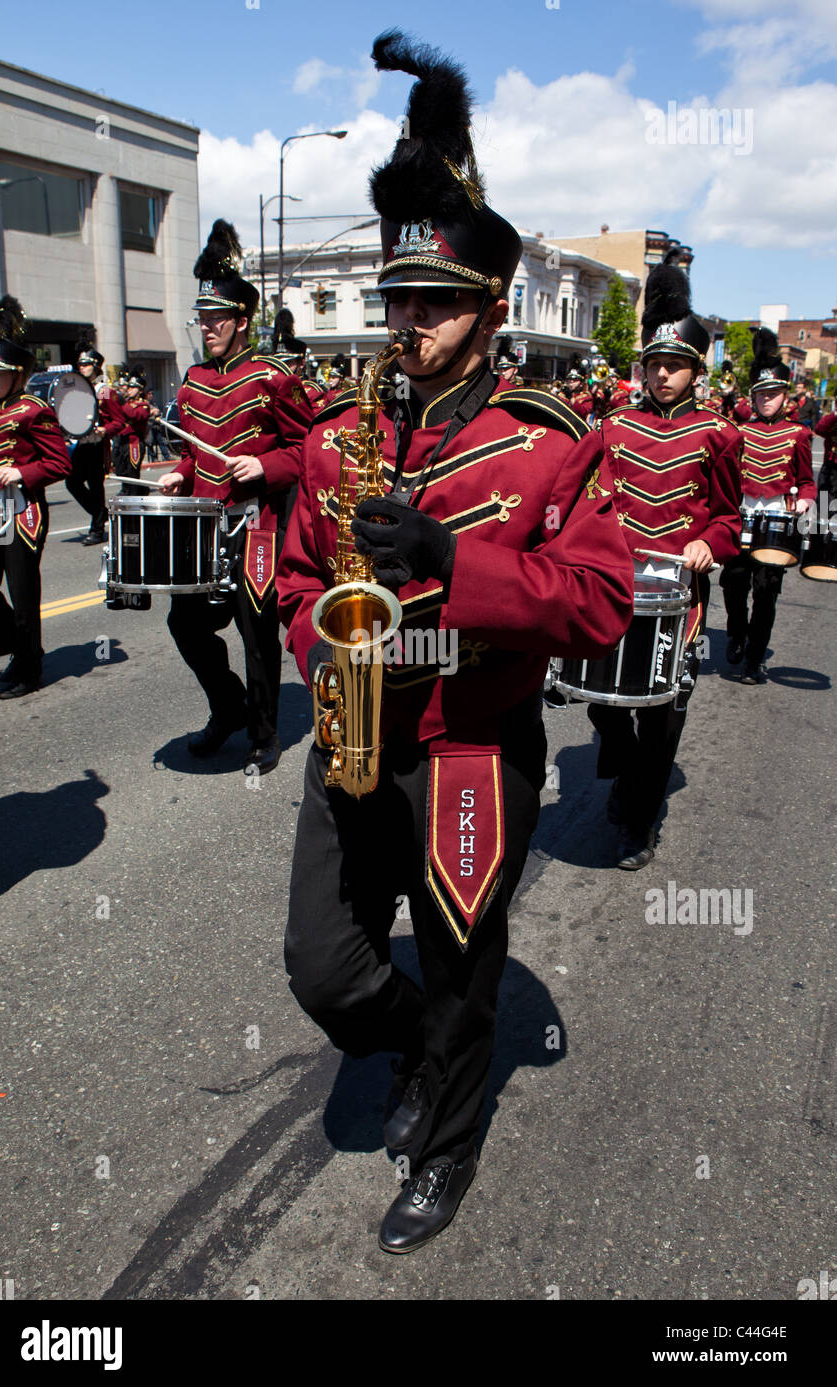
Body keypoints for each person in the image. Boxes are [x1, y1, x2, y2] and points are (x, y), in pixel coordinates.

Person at [276, 31, 634, 1254]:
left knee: (464, 964)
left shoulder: (550, 439)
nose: (407, 323)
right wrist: (311, 642)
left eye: (433, 305)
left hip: (474, 741)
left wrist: (451, 562)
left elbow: (596, 602)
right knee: (322, 965)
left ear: (489, 315)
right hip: (355, 734)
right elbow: (291, 573)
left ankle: (444, 1145)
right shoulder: (335, 430)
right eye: (395, 301)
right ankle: (409, 1040)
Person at [592, 254, 744, 868]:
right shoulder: (614, 427)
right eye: (654, 364)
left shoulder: (719, 434)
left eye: (674, 365)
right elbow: (592, 499)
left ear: (695, 371)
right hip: (616, 585)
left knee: (663, 713)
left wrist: (712, 541)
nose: (662, 375)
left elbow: (730, 517)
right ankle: (629, 778)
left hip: (679, 594)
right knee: (603, 702)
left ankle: (639, 824)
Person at [158, 220, 313, 773]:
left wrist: (264, 464)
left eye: (216, 319)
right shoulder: (193, 380)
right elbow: (197, 448)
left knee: (255, 631)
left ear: (242, 321)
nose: (207, 328)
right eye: (201, 319)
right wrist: (180, 471)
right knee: (185, 624)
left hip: (256, 525)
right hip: (203, 523)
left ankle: (265, 734)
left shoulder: (273, 376)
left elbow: (307, 448)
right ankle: (228, 707)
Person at [0, 296, 71, 696]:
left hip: (23, 510)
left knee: (23, 590)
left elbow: (60, 464)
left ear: (16, 374)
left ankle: (29, 669)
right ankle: (20, 648)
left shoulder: (34, 410)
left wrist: (20, 472)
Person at [720, 328, 814, 684]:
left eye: (773, 394)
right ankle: (735, 633)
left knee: (765, 590)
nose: (766, 400)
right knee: (733, 581)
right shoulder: (739, 431)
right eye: (761, 395)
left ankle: (755, 658)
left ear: (785, 396)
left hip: (776, 518)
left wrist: (806, 500)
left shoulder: (799, 434)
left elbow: (806, 479)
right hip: (743, 515)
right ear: (753, 397)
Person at [64, 337, 123, 545]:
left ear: (96, 366)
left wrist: (104, 429)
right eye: (80, 364)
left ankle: (97, 529)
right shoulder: (79, 388)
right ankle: (100, 513)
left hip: (98, 444)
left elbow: (119, 421)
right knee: (72, 482)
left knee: (96, 485)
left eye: (86, 364)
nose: (82, 367)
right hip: (81, 443)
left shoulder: (105, 390)